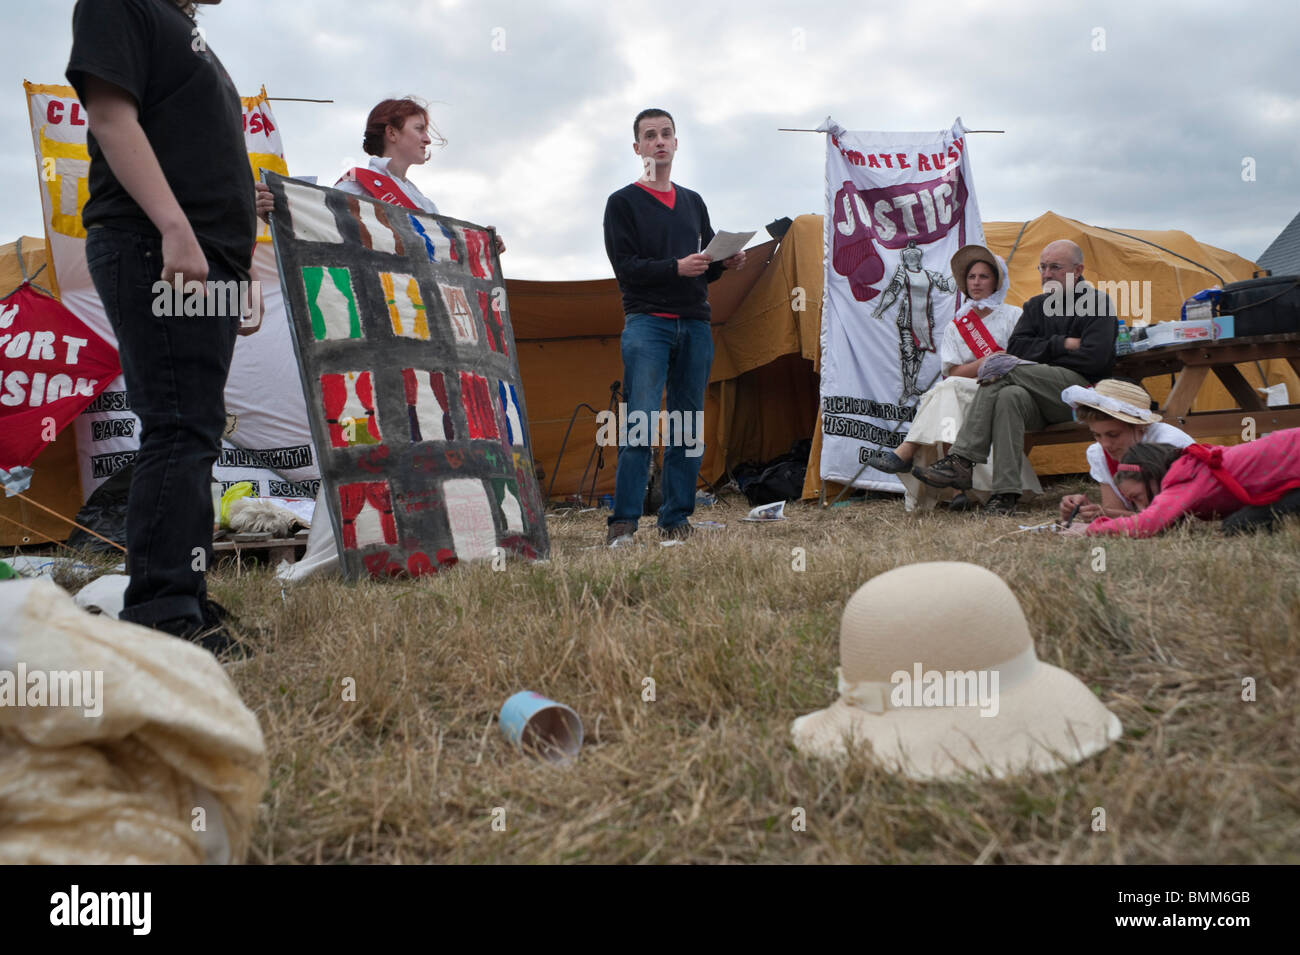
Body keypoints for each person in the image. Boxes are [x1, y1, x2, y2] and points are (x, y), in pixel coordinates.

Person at [69, 0, 259, 655]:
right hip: (158, 246)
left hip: (208, 261)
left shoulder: (187, 32)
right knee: (179, 422)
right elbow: (110, 117)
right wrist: (176, 228)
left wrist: (237, 268)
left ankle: (184, 591)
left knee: (196, 426)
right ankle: (163, 611)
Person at [601, 108, 745, 545]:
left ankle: (676, 518)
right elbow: (625, 268)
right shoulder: (622, 203)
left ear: (676, 143)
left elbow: (700, 270)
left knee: (687, 423)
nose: (659, 141)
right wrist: (674, 267)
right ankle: (623, 523)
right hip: (648, 324)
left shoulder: (693, 202)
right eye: (650, 135)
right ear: (637, 148)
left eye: (666, 134)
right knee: (640, 422)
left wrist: (723, 264)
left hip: (696, 324)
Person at [912, 239, 1117, 515]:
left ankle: (960, 460)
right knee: (1009, 396)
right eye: (1042, 267)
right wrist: (1063, 344)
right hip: (1036, 395)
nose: (1046, 274)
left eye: (1055, 267)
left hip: (1081, 394)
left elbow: (1095, 359)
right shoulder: (1034, 306)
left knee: (1001, 365)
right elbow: (1018, 348)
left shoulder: (1097, 303)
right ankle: (1005, 494)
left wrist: (1040, 352)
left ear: (1077, 270)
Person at [872, 244, 1037, 510]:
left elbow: (1018, 359)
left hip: (1004, 391)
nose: (976, 282)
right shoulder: (956, 325)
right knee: (949, 394)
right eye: (971, 277)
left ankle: (907, 451)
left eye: (984, 276)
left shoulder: (1014, 316)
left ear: (996, 281)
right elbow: (953, 370)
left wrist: (988, 364)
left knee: (946, 392)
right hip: (967, 392)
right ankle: (961, 490)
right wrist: (986, 361)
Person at [255, 96, 506, 253]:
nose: (427, 139)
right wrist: (278, 210)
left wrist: (482, 247)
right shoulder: (358, 185)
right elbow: (321, 228)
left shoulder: (425, 203)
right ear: (392, 133)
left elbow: (442, 255)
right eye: (419, 129)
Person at [1061, 429, 1300, 538]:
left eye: (1136, 497)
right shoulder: (1190, 467)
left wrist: (1090, 530)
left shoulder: (1183, 479)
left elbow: (1147, 523)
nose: (1141, 506)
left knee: (1237, 527)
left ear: (1151, 475)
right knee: (1237, 524)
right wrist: (1103, 513)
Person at [1056, 379, 1193, 523]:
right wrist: (1090, 510)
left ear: (1140, 426)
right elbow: (1116, 509)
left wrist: (1106, 513)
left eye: (1113, 435)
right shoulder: (1098, 453)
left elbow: (1173, 517)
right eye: (1097, 435)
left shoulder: (1169, 444)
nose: (1105, 444)